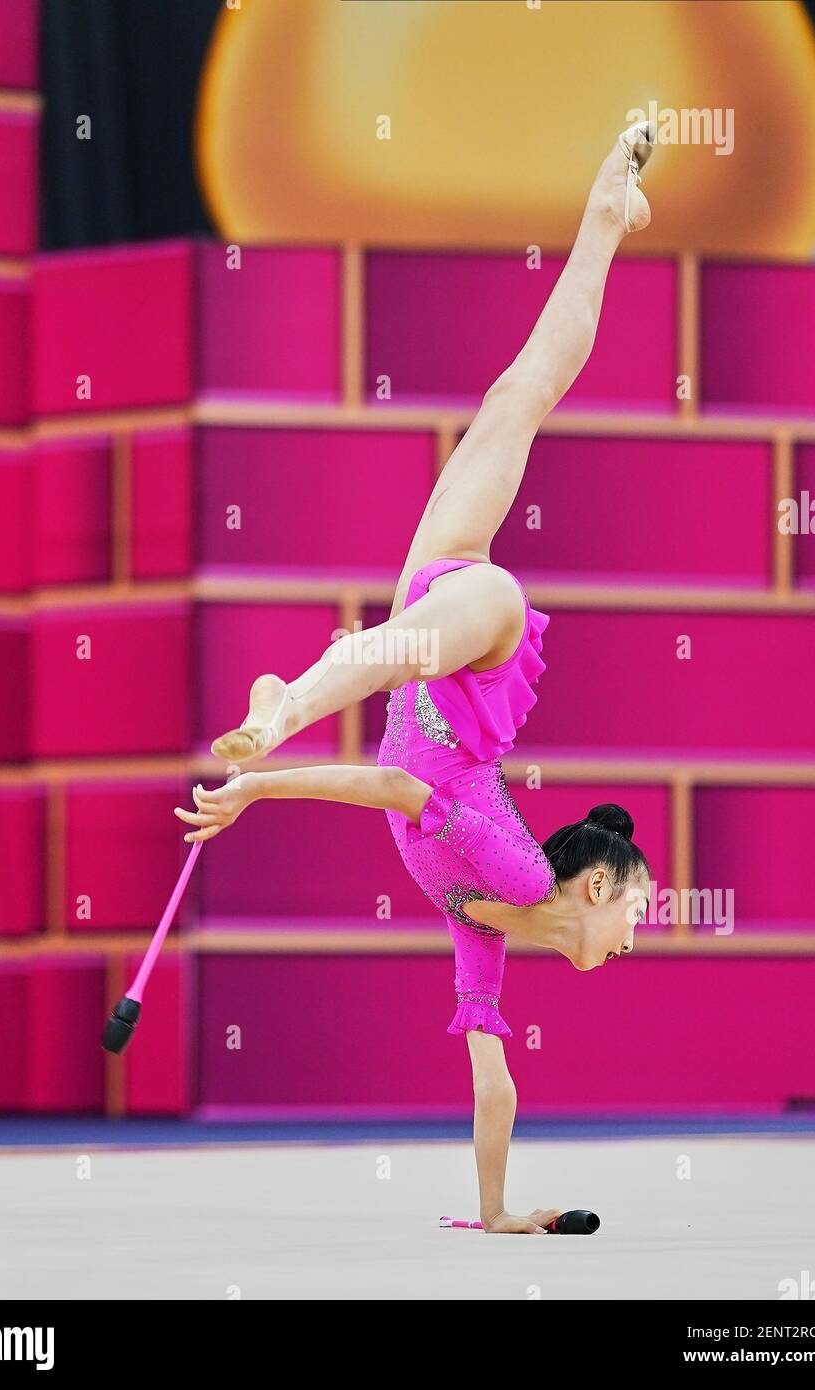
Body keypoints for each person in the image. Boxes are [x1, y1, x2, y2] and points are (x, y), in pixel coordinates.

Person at [175, 125, 655, 1233]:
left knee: (519, 391)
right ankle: (281, 703)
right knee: (401, 644)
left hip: (429, 614)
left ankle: (604, 216)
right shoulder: (520, 879)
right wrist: (267, 776)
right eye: (635, 911)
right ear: (588, 887)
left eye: (635, 912)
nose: (634, 928)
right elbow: (399, 790)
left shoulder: (489, 923)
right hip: (467, 641)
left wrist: (496, 1215)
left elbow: (492, 1078)